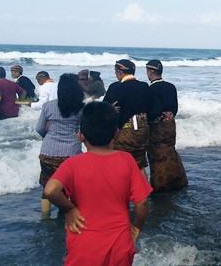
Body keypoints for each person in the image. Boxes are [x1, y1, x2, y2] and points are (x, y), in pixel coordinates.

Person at [43, 101, 152, 266]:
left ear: (80, 136)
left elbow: (51, 190)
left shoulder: (72, 164)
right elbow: (142, 202)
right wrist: (137, 226)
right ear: (116, 133)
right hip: (120, 244)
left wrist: (70, 209)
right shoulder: (127, 160)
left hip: (83, 244)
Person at [36, 73, 84, 218]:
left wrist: (49, 137)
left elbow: (39, 128)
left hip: (48, 153)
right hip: (72, 154)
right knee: (70, 189)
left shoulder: (48, 106)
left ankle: (44, 217)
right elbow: (85, 131)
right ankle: (68, 215)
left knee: (47, 187)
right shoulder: (80, 108)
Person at [146, 60, 188, 192]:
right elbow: (175, 108)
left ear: (151, 71)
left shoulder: (151, 89)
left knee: (157, 154)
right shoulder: (171, 86)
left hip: (157, 126)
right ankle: (178, 180)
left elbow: (154, 110)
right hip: (170, 124)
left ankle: (160, 184)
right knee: (170, 150)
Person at [103, 59, 152, 173]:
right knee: (139, 164)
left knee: (122, 164)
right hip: (143, 130)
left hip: (126, 132)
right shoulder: (144, 86)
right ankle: (144, 190)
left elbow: (105, 109)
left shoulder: (116, 87)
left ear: (119, 72)